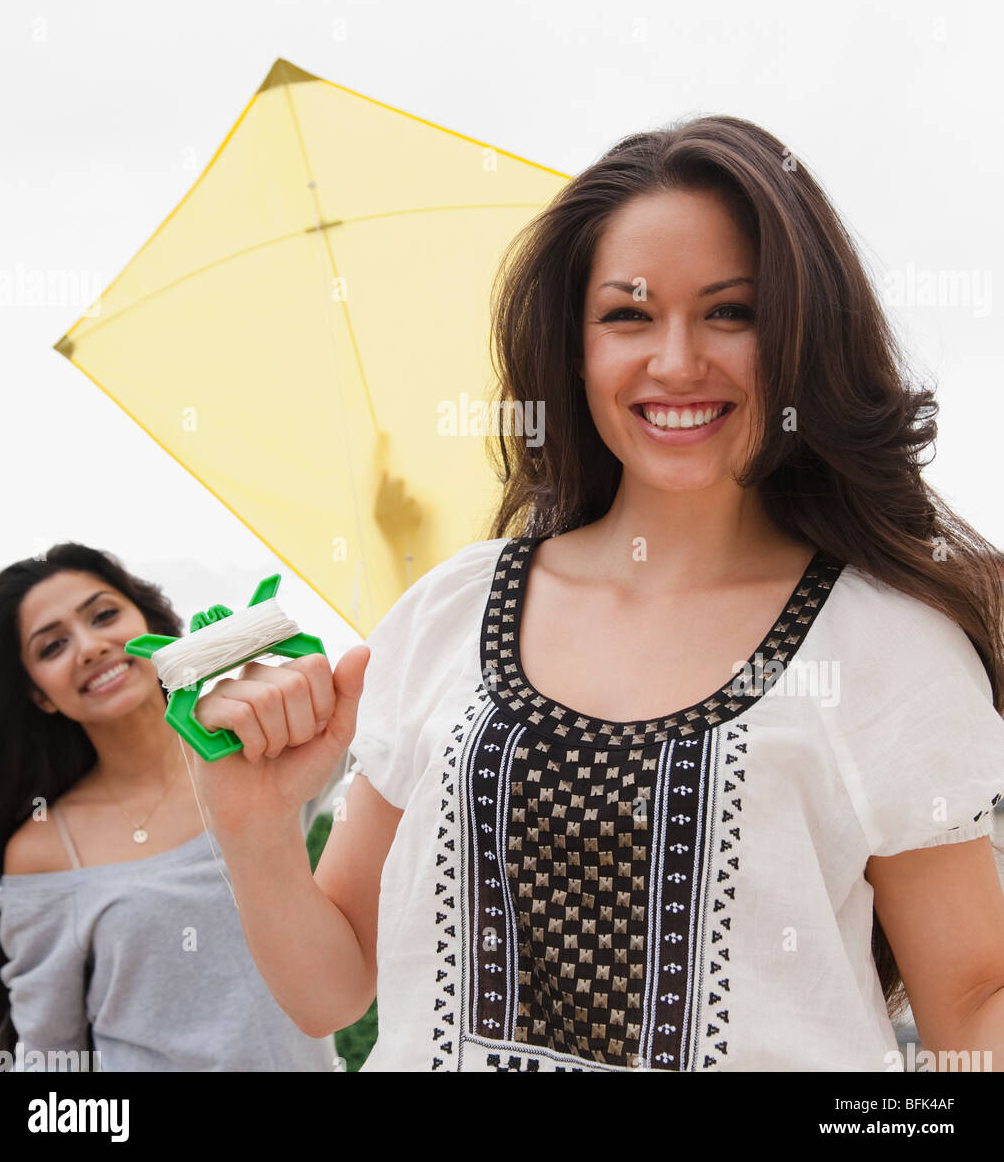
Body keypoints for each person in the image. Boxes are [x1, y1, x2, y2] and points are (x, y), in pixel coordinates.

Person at [188, 116, 1004, 1072]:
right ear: (574, 353)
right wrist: (251, 824)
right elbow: (334, 984)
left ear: (799, 341)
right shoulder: (454, 609)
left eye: (731, 312)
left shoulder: (885, 647)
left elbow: (969, 1007)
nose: (677, 361)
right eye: (629, 315)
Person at [0, 543, 338, 1072]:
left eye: (103, 615)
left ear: (151, 624)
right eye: (52, 647)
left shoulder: (257, 754)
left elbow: (392, 751)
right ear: (41, 697)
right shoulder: (44, 849)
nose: (90, 647)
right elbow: (52, 1062)